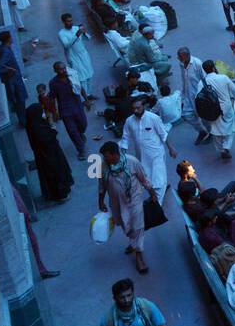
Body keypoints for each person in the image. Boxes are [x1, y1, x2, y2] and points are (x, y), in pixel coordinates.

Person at [97, 141, 154, 274]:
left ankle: (139, 257)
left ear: (115, 154)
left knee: (137, 226)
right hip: (116, 202)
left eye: (107, 156)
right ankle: (133, 242)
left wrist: (152, 193)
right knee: (125, 224)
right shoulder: (104, 166)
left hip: (134, 200)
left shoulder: (132, 162)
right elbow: (101, 185)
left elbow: (144, 178)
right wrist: (100, 201)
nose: (105, 159)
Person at [121, 96, 175, 203]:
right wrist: (123, 155)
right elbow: (125, 138)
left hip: (156, 154)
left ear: (144, 106)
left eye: (138, 108)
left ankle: (158, 205)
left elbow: (163, 134)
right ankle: (161, 187)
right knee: (149, 179)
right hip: (141, 156)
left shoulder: (153, 118)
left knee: (158, 181)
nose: (136, 110)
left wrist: (171, 148)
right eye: (134, 108)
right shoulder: (129, 121)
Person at [24, 102, 74, 202]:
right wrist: (53, 130)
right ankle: (60, 195)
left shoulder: (35, 124)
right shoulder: (37, 127)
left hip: (48, 154)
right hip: (49, 156)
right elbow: (46, 139)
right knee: (55, 174)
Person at [48, 61, 88, 159]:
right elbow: (52, 98)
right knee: (72, 131)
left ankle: (80, 134)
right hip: (65, 110)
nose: (62, 71)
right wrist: (54, 112)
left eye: (63, 68)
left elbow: (80, 88)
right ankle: (81, 150)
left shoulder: (72, 77)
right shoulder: (53, 83)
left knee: (83, 125)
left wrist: (87, 100)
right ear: (55, 71)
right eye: (60, 69)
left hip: (77, 106)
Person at [201, 60, 235, 160]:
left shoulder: (202, 82)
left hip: (212, 110)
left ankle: (221, 149)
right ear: (214, 68)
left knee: (215, 130)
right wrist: (233, 98)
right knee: (231, 128)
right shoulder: (223, 78)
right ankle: (226, 147)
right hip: (226, 107)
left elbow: (198, 97)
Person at [177, 47, 210, 146]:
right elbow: (183, 78)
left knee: (204, 117)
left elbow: (205, 78)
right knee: (187, 115)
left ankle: (211, 134)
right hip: (187, 94)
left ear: (186, 56)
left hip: (199, 96)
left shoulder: (197, 63)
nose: (178, 58)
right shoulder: (181, 64)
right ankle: (201, 131)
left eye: (180, 56)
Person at [58, 13, 95, 101]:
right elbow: (66, 45)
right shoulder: (61, 33)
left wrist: (85, 33)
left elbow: (87, 39)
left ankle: (88, 94)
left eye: (71, 21)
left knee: (89, 74)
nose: (70, 23)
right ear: (63, 22)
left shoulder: (76, 28)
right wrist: (76, 35)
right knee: (81, 78)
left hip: (83, 54)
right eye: (68, 21)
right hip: (73, 57)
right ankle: (83, 99)